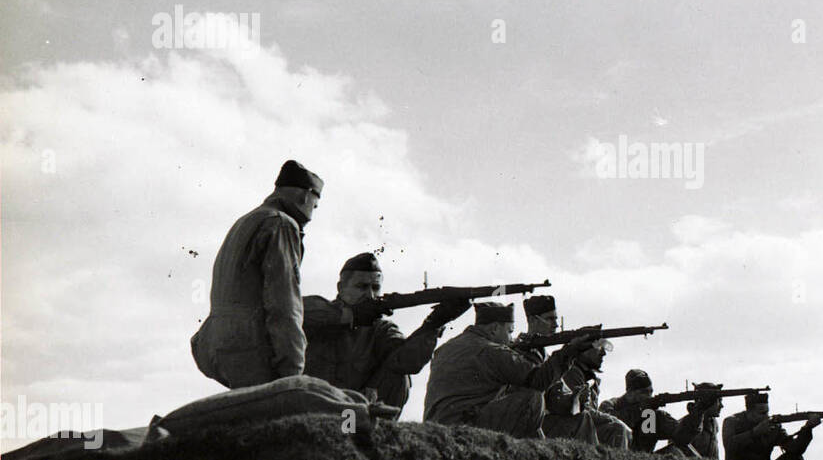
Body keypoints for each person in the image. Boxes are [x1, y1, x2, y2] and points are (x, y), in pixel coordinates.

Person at [191, 159, 323, 388]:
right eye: (316, 204)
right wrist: (293, 369)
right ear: (306, 196)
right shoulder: (281, 224)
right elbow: (284, 303)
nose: (314, 211)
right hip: (250, 347)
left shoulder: (248, 220)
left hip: (217, 342)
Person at [302, 252, 470, 412]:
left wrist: (433, 324)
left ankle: (375, 431)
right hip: (310, 409)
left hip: (352, 414)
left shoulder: (381, 329)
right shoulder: (319, 314)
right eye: (362, 287)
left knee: (398, 376)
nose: (370, 295)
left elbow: (407, 362)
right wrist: (350, 316)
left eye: (375, 288)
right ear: (341, 288)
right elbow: (291, 312)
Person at [424, 299, 597, 438]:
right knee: (532, 398)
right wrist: (570, 351)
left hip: (436, 426)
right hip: (464, 425)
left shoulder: (447, 347)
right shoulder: (491, 350)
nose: (511, 338)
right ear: (494, 329)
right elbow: (538, 380)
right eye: (509, 331)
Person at [519, 295, 631, 448]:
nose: (556, 325)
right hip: (527, 422)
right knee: (583, 420)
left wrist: (574, 398)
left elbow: (557, 394)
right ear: (532, 320)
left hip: (543, 421)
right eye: (550, 319)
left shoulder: (543, 355)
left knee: (610, 428)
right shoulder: (519, 351)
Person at [723, 392, 823, 460]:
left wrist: (807, 428)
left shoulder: (773, 427)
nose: (766, 417)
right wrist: (754, 433)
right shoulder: (732, 422)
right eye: (762, 413)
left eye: (767, 412)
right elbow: (729, 446)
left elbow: (795, 449)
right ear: (749, 412)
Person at [602, 369, 696, 453]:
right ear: (630, 393)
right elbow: (612, 423)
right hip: (613, 458)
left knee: (675, 451)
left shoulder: (652, 415)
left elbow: (682, 436)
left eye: (650, 392)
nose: (649, 396)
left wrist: (697, 414)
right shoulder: (611, 405)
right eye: (644, 392)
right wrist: (640, 410)